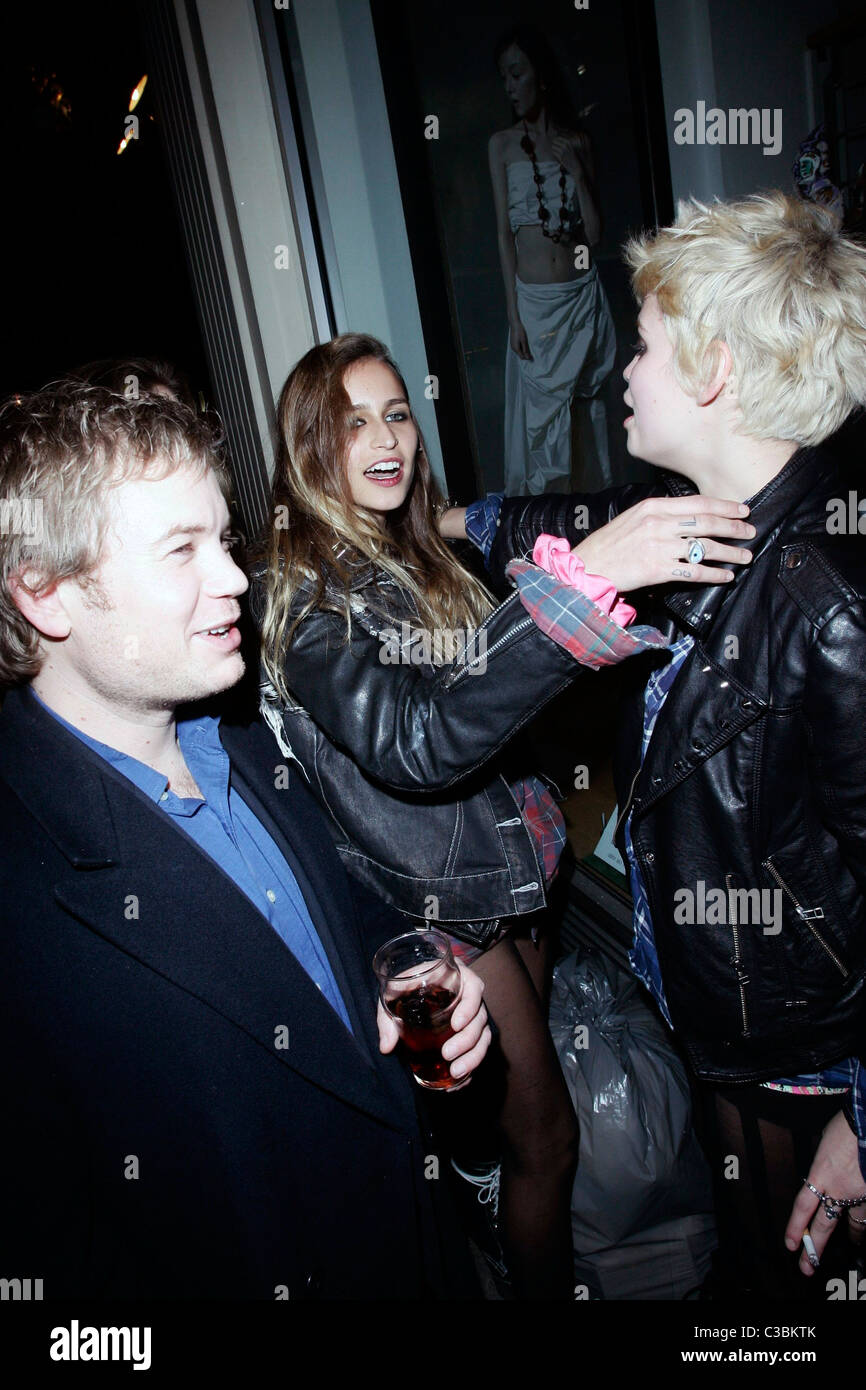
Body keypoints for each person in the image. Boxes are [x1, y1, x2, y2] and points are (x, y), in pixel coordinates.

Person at [252, 332, 754, 1298]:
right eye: (352, 423)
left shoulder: (411, 552)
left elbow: (485, 706)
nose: (386, 438)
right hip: (450, 911)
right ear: (310, 445)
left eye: (397, 412)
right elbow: (419, 743)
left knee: (504, 1120)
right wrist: (576, 585)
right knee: (547, 1141)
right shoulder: (310, 598)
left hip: (509, 879)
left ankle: (481, 1212)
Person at [444, 191, 866, 1298]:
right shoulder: (726, 518)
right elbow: (581, 515)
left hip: (797, 1055)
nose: (621, 369)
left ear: (713, 369)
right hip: (729, 1017)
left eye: (641, 345)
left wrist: (863, 1121)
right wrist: (449, 521)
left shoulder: (832, 600)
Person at [0, 381, 492, 1301]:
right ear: (46, 594)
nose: (233, 575)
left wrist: (406, 961)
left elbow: (338, 908)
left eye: (220, 538)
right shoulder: (21, 894)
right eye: (180, 550)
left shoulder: (234, 741)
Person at [490, 26, 616, 495]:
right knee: (542, 425)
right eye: (504, 76)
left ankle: (591, 523)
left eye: (517, 73)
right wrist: (513, 313)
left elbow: (596, 234)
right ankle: (545, 535)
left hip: (581, 299)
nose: (509, 86)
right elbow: (504, 235)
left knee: (584, 414)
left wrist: (578, 175)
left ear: (540, 77)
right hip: (535, 305)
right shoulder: (501, 146)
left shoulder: (576, 142)